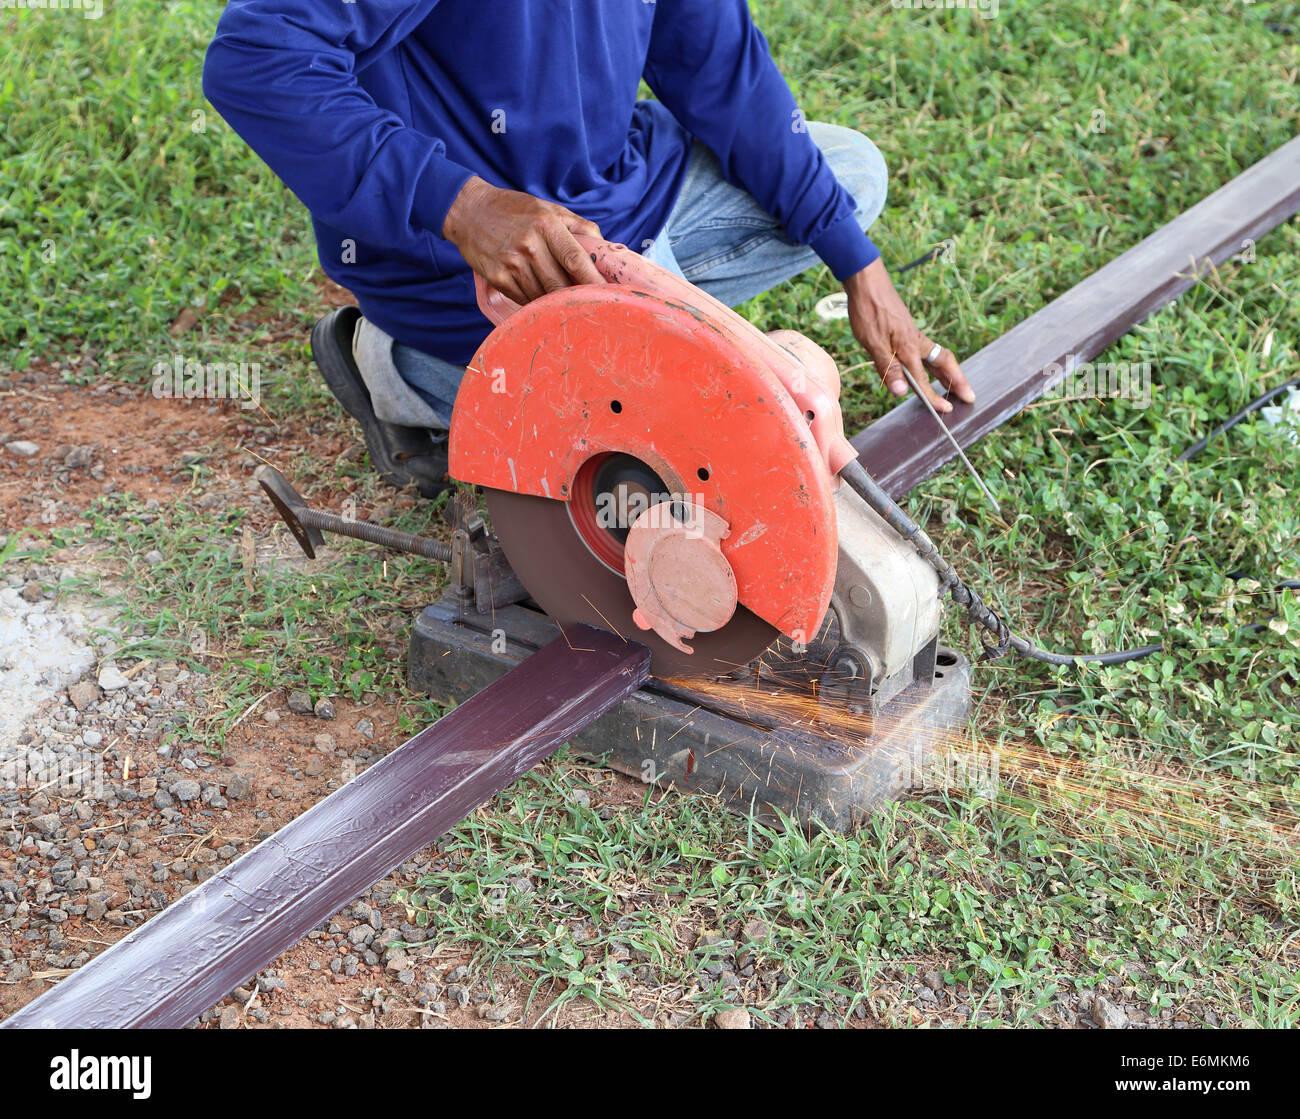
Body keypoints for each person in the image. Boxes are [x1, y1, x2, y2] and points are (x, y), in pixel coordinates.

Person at [203, 0, 973, 496]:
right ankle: (412, 375)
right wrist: (462, 206)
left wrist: (861, 269)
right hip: (468, 267)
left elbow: (725, 79)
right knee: (674, 451)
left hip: (614, 199)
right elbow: (254, 61)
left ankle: (588, 340)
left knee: (847, 175)